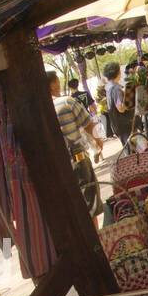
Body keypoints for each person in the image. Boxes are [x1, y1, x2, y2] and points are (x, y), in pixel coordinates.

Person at [48, 71, 105, 219]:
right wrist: (98, 141)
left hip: (53, 163)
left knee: (70, 205)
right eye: (57, 81)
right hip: (77, 156)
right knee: (89, 200)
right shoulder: (66, 101)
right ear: (53, 84)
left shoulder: (40, 110)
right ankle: (94, 232)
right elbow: (88, 124)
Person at [103, 61, 131, 147]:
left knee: (128, 148)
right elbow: (120, 108)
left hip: (116, 124)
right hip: (124, 124)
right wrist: (130, 103)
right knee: (131, 148)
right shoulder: (116, 88)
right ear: (118, 72)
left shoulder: (108, 87)